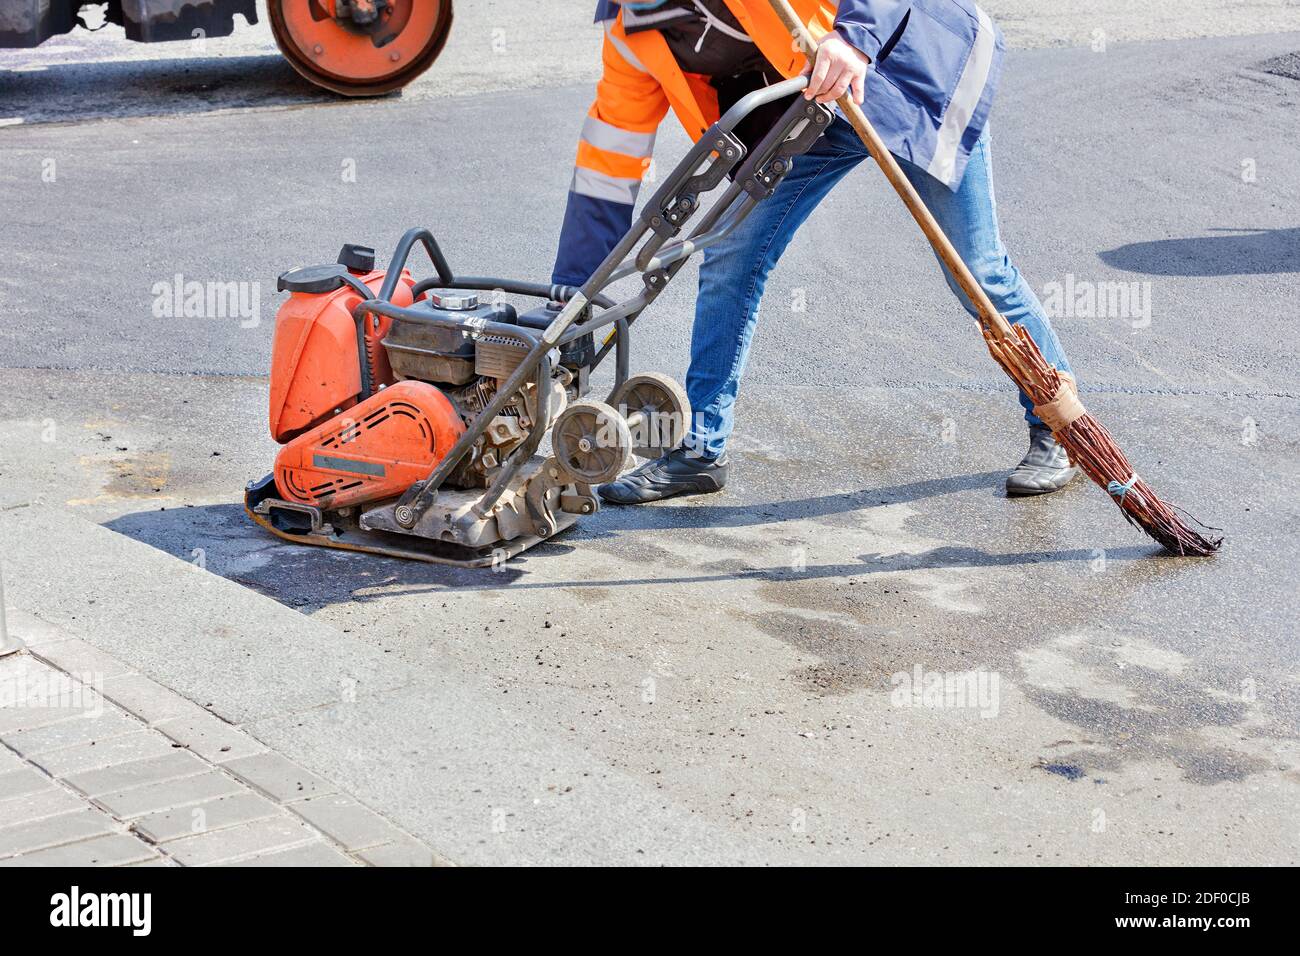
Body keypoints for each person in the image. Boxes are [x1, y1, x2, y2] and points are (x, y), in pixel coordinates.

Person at [550, 0, 1079, 503]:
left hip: (906, 74)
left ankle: (1057, 426)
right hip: (808, 113)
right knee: (732, 251)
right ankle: (702, 450)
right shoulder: (635, 27)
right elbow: (608, 162)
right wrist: (573, 295)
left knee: (975, 270)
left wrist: (855, 39)